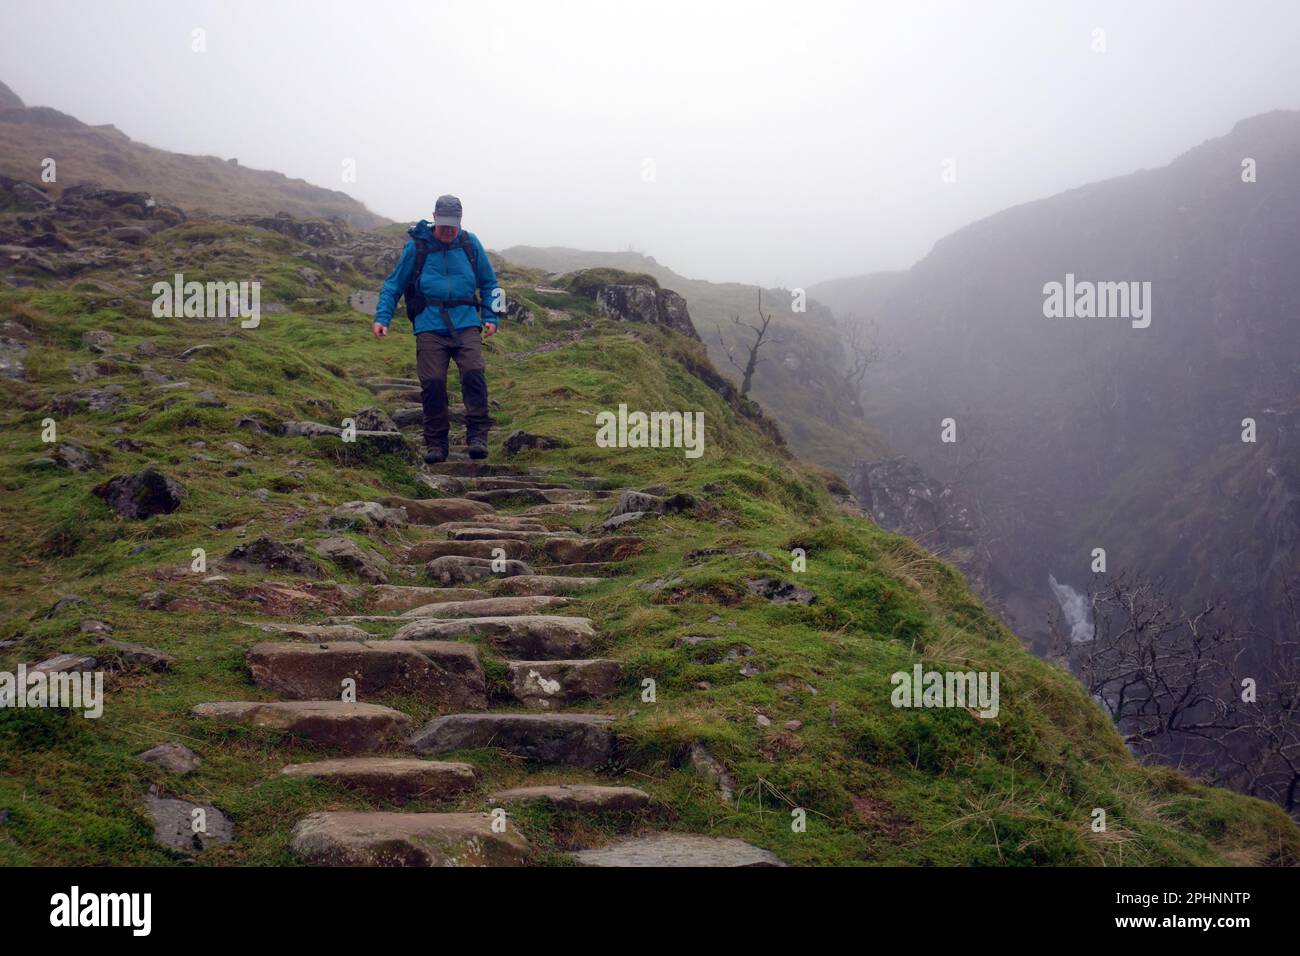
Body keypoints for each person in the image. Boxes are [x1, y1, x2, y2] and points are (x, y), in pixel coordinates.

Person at [372, 194, 501, 463]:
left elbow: (490, 283)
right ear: (433, 218)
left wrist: (492, 316)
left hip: (466, 321)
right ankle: (436, 443)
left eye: (453, 224)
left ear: (460, 222)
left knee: (474, 373)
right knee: (432, 382)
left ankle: (477, 435)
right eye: (443, 224)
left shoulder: (469, 243)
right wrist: (383, 317)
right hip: (429, 323)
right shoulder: (417, 247)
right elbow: (393, 285)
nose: (448, 230)